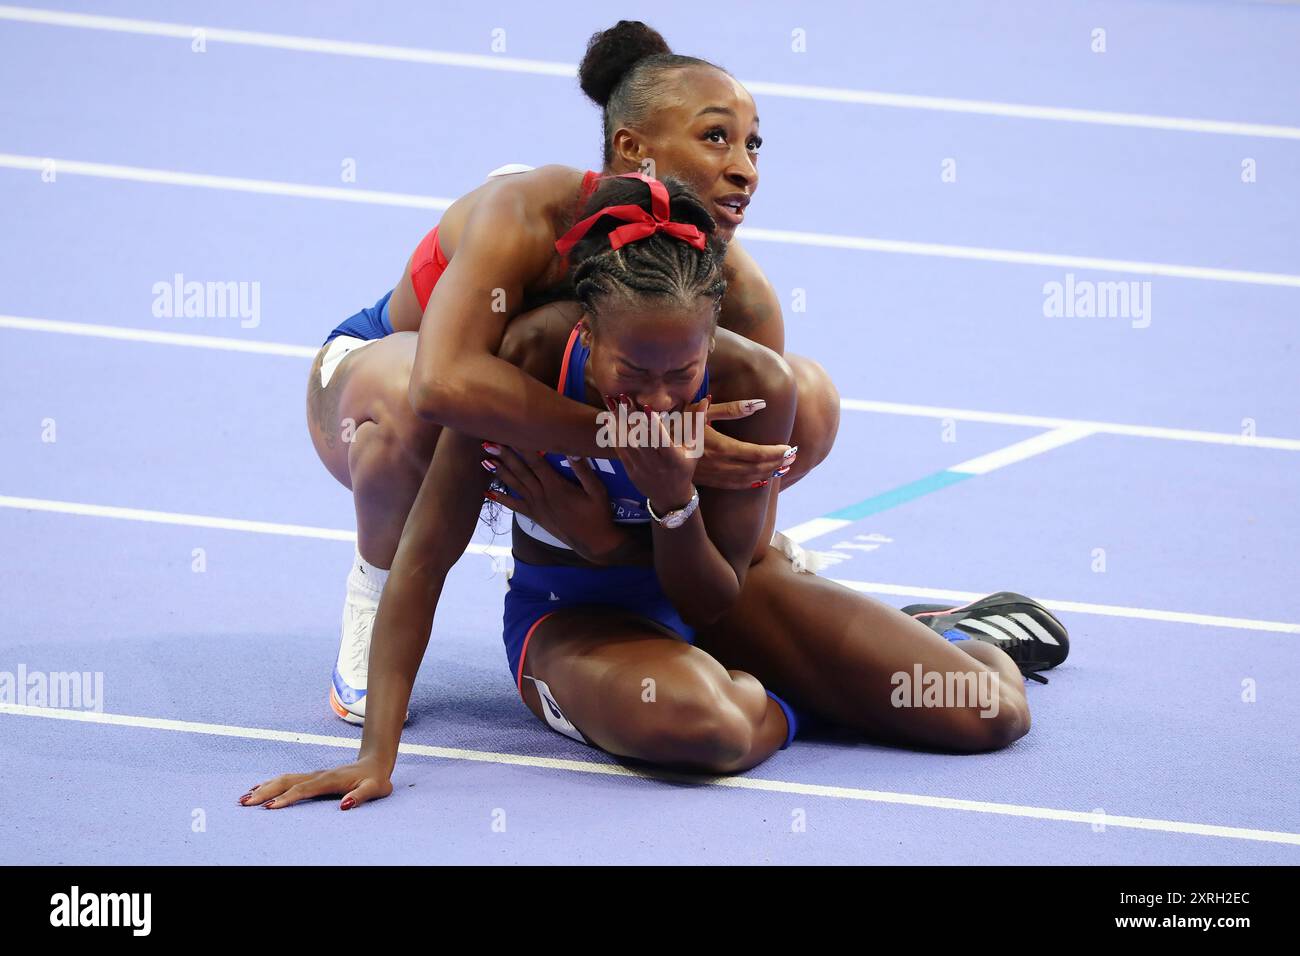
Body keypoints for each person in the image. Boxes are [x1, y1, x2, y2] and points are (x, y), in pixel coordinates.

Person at [242, 176, 1067, 811]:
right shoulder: (527, 360)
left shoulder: (755, 381)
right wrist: (375, 758)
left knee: (988, 712)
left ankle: (941, 634)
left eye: (683, 372)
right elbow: (423, 561)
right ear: (586, 335)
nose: (662, 399)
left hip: (716, 606)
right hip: (572, 619)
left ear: (714, 334)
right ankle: (799, 697)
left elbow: (717, 597)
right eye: (632, 374)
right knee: (704, 730)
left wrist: (672, 504)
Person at [306, 20, 842, 724]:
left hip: (538, 422)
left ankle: (643, 562)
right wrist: (631, 437)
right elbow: (443, 383)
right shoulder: (529, 210)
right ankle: (375, 590)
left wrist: (630, 531)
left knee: (803, 397)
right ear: (633, 149)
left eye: (752, 143)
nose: (746, 168)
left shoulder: (738, 294)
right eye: (716, 138)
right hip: (383, 385)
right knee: (421, 404)